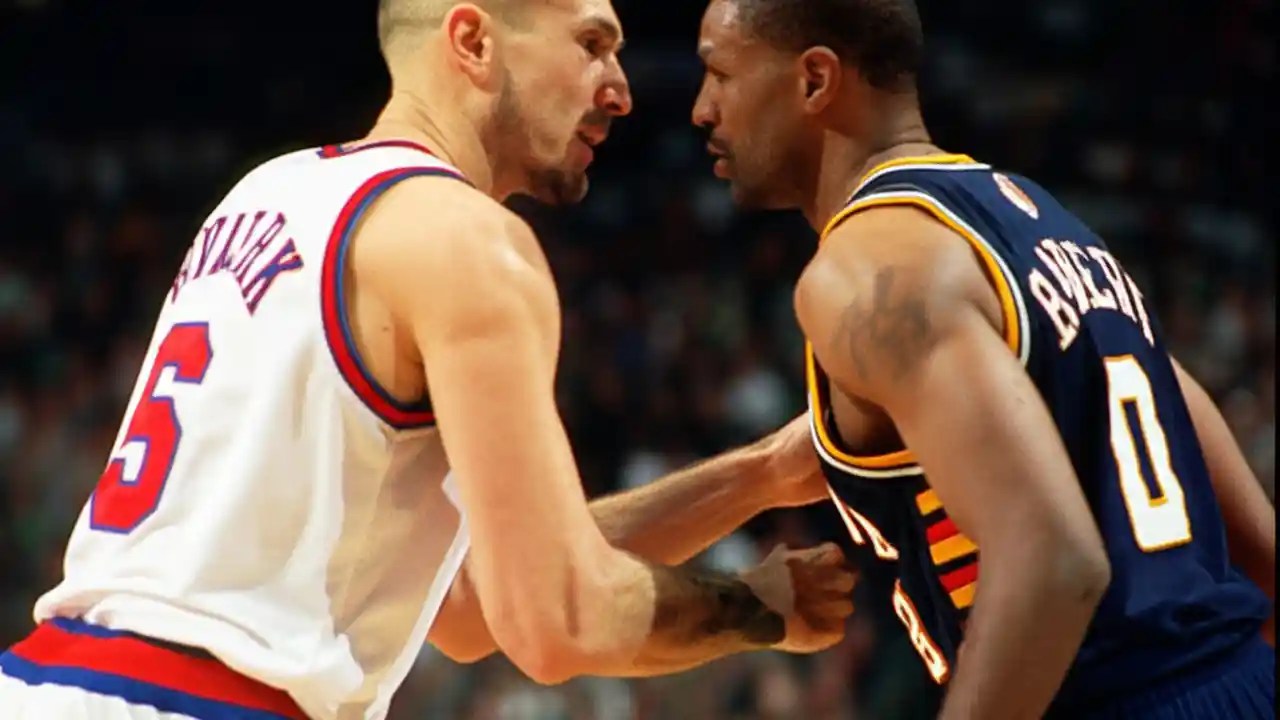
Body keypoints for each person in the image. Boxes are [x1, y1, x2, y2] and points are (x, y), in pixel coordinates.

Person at [0, 1, 857, 718]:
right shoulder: (472, 244)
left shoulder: (267, 192)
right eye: (592, 44)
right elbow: (559, 617)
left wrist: (762, 476)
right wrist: (760, 608)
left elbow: (466, 604)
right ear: (473, 41)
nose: (621, 90)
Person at [687, 0, 1276, 718]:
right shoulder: (1044, 223)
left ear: (815, 80)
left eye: (720, 73)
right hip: (1242, 680)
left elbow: (1053, 559)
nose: (701, 109)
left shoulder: (864, 269)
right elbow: (1260, 552)